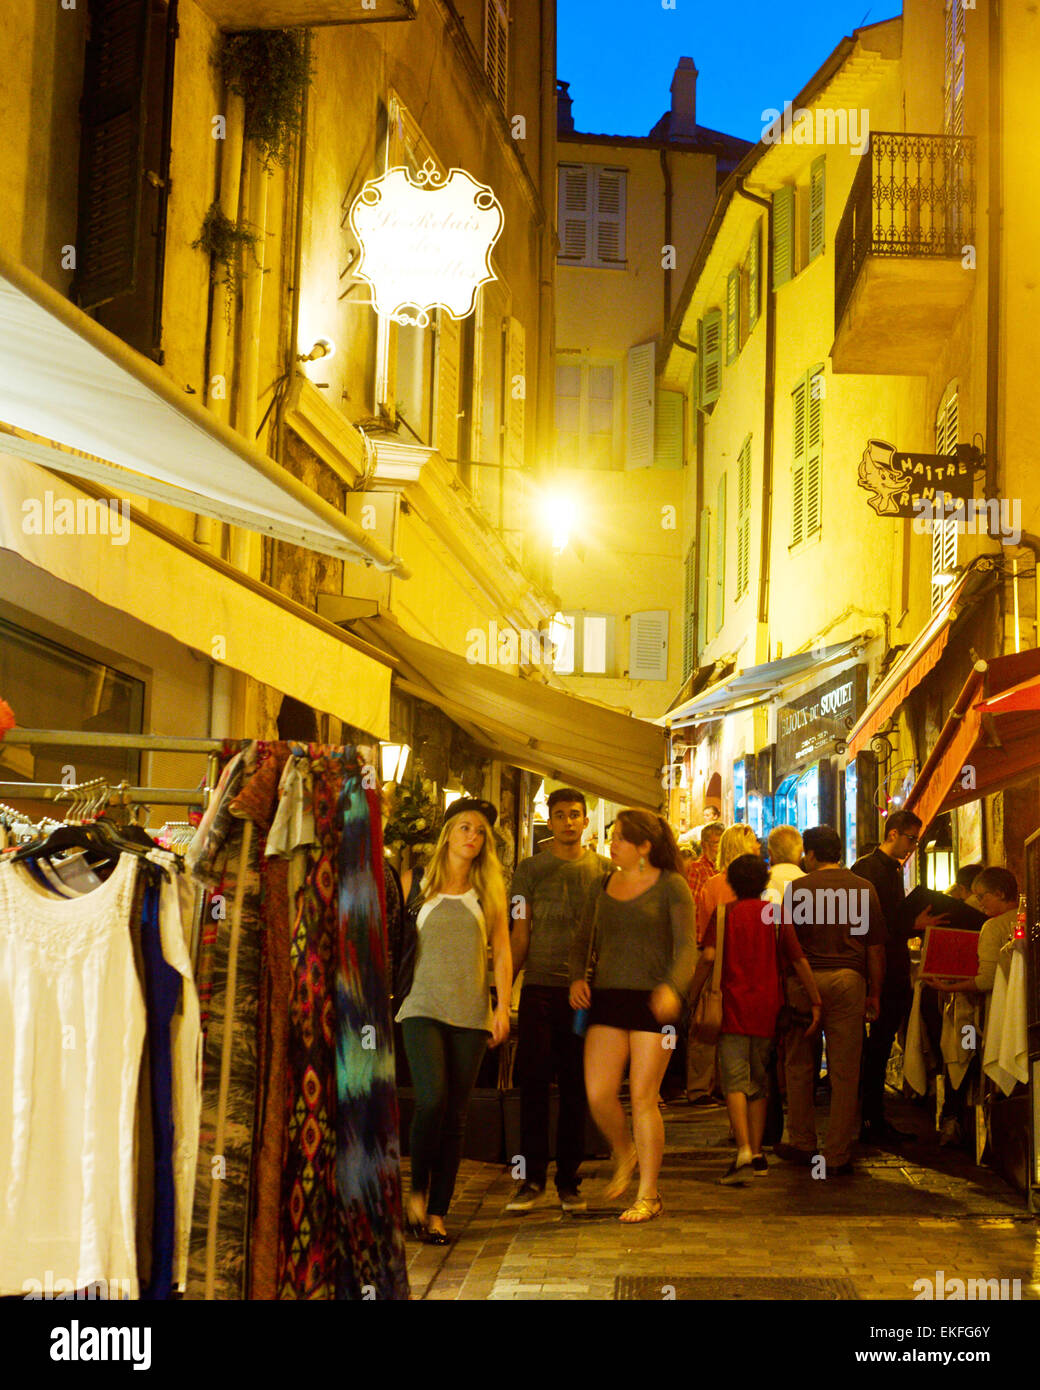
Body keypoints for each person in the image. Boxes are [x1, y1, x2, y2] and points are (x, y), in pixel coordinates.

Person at [568, 810, 696, 1223]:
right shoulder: (601, 884)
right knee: (599, 1093)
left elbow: (687, 948)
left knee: (643, 1097)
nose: (612, 843)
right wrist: (575, 978)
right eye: (612, 837)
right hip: (608, 997)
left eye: (620, 838)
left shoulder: (671, 886)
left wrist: (672, 988)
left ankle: (648, 1194)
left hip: (653, 1002)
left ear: (643, 846)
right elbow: (581, 939)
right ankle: (625, 1150)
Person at [396, 799, 512, 1245]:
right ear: (448, 833)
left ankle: (438, 1213)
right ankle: (418, 1192)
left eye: (480, 832)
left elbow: (502, 951)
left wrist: (501, 1008)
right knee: (431, 1100)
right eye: (465, 827)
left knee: (457, 1115)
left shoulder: (489, 891)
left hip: (470, 1014)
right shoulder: (415, 883)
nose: (472, 837)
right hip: (420, 1007)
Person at [506, 788, 613, 1213]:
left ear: (586, 821)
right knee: (531, 1083)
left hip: (585, 993)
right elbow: (520, 931)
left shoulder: (605, 871)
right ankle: (531, 1178)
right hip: (538, 988)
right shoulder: (528, 870)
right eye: (561, 815)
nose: (569, 822)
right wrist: (502, 988)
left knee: (576, 1086)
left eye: (575, 815)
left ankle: (568, 1180)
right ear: (549, 822)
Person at [689, 854, 821, 1184]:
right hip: (769, 1008)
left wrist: (688, 998)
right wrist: (816, 1000)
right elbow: (799, 960)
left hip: (731, 1006)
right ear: (763, 881)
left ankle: (744, 1149)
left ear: (732, 882)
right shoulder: (776, 915)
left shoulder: (724, 915)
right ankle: (759, 1151)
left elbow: (707, 959)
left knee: (734, 1078)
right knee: (760, 1079)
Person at [774, 825, 886, 1176]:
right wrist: (875, 992)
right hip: (848, 981)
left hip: (804, 984)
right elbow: (876, 948)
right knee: (844, 1070)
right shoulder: (864, 890)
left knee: (799, 1064)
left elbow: (787, 946)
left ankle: (803, 1141)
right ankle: (837, 1152)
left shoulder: (797, 889)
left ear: (809, 854)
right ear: (838, 852)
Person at [853, 810, 948, 1145]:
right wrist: (914, 925)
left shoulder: (892, 870)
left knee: (879, 1046)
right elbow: (868, 924)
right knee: (872, 1048)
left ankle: (872, 1117)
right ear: (892, 834)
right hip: (876, 972)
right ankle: (867, 1118)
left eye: (916, 840)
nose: (913, 845)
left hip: (892, 968)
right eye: (910, 838)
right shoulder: (868, 869)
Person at [925, 867, 1019, 1147]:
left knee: (966, 1054)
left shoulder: (993, 926)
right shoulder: (1028, 918)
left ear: (1000, 893)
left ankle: (973, 1130)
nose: (979, 904)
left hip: (996, 1012)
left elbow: (987, 980)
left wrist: (949, 988)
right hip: (1024, 1012)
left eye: (982, 897)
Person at [686, 823, 761, 1107]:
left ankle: (700, 1087)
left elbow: (704, 929)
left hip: (718, 963)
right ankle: (727, 1086)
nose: (758, 845)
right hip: (747, 966)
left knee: (708, 1024)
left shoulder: (714, 884)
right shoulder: (754, 886)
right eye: (753, 840)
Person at [684, 820, 724, 900]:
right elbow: (693, 904)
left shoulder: (723, 867)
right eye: (716, 843)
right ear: (704, 844)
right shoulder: (697, 869)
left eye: (722, 843)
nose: (721, 848)